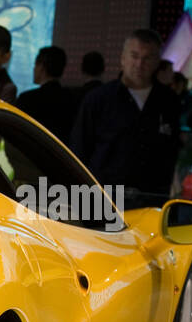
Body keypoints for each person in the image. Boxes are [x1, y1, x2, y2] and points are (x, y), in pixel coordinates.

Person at [69, 29, 180, 205]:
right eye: (134, 56)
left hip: (151, 200)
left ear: (157, 62)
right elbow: (79, 149)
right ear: (123, 58)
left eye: (147, 58)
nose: (139, 64)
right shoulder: (99, 99)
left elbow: (172, 151)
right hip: (102, 200)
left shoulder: (169, 101)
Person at [16, 45, 74, 140]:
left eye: (35, 65)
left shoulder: (27, 99)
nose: (34, 69)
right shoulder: (71, 98)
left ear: (41, 67)